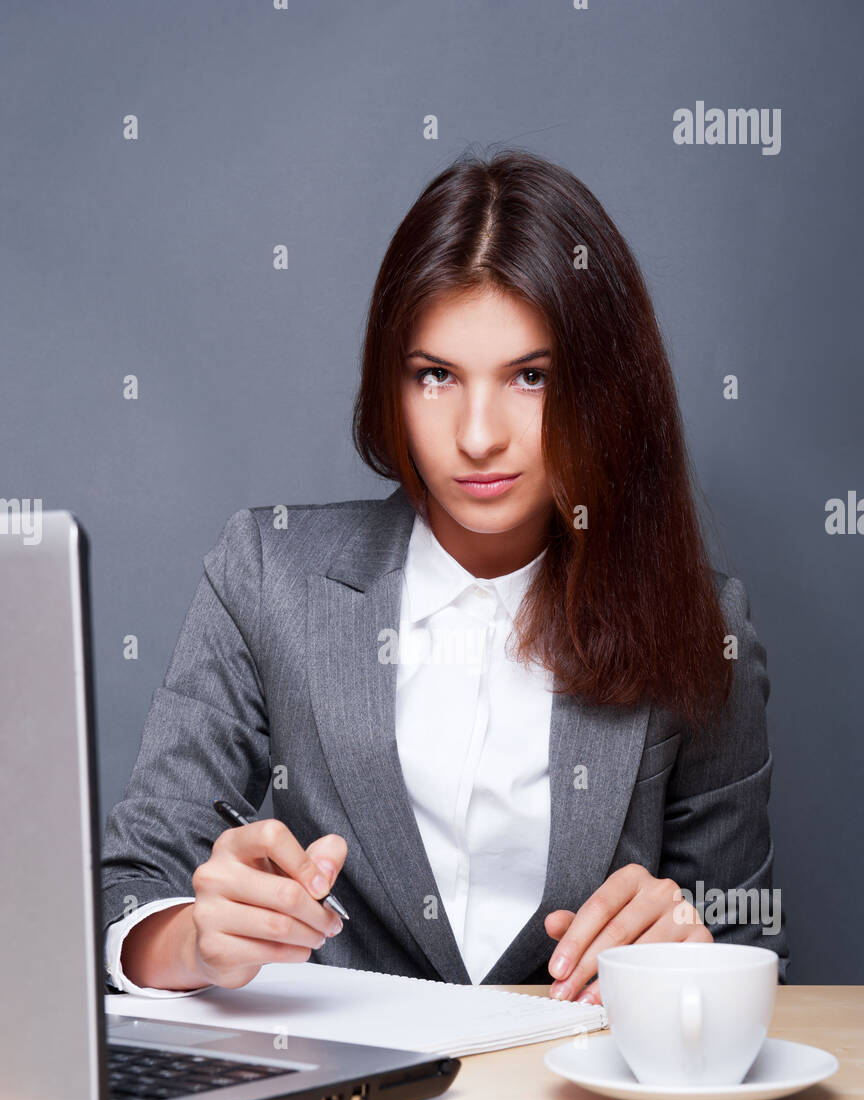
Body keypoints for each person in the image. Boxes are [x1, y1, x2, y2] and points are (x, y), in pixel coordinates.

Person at [101, 148, 788, 1006]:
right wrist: (195, 942)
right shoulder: (265, 575)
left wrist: (689, 953)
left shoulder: (702, 620)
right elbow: (127, 891)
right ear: (390, 384)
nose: (477, 435)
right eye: (436, 376)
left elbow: (747, 945)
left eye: (530, 377)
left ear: (606, 388)